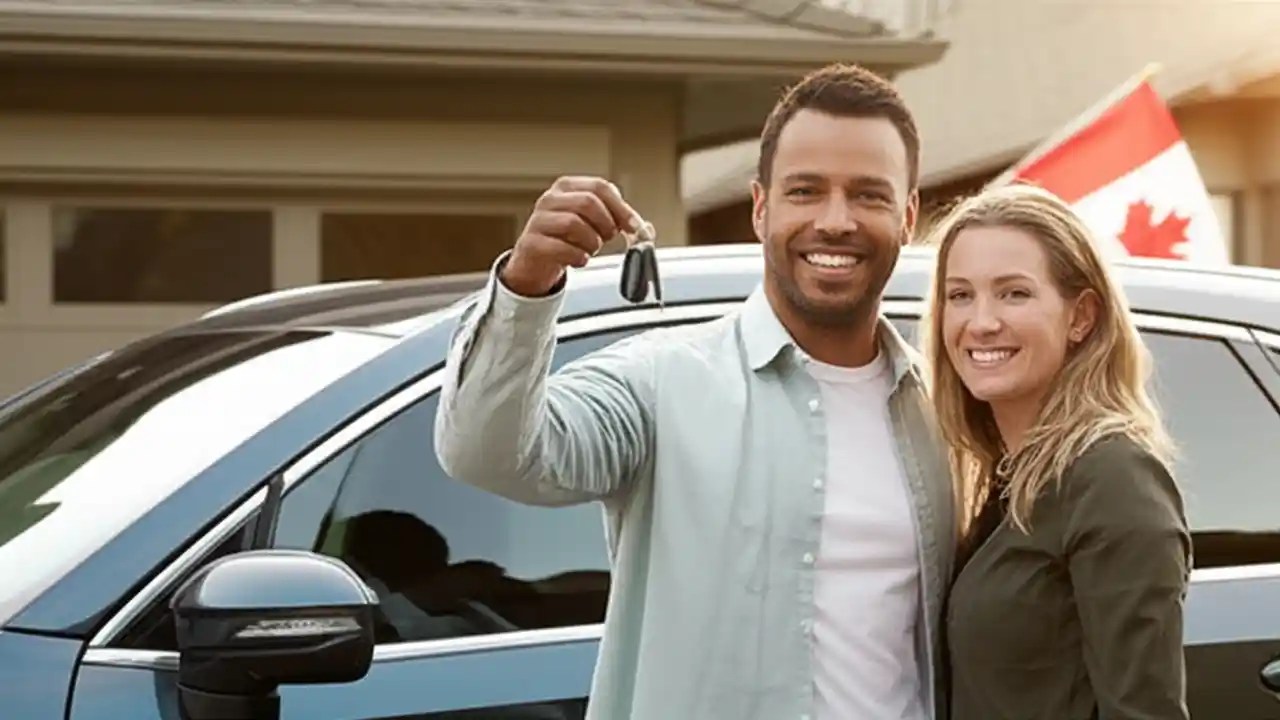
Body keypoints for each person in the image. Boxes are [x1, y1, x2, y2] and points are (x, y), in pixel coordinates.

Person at [434, 63, 954, 720]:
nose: (835, 220)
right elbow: (485, 453)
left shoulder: (948, 414)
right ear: (761, 207)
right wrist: (527, 284)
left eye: (868, 195)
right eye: (805, 191)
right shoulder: (660, 382)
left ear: (907, 217)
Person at [921, 184, 1192, 719]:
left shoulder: (1113, 478)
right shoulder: (1006, 478)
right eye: (960, 295)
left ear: (1081, 317)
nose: (980, 321)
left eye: (1014, 293)